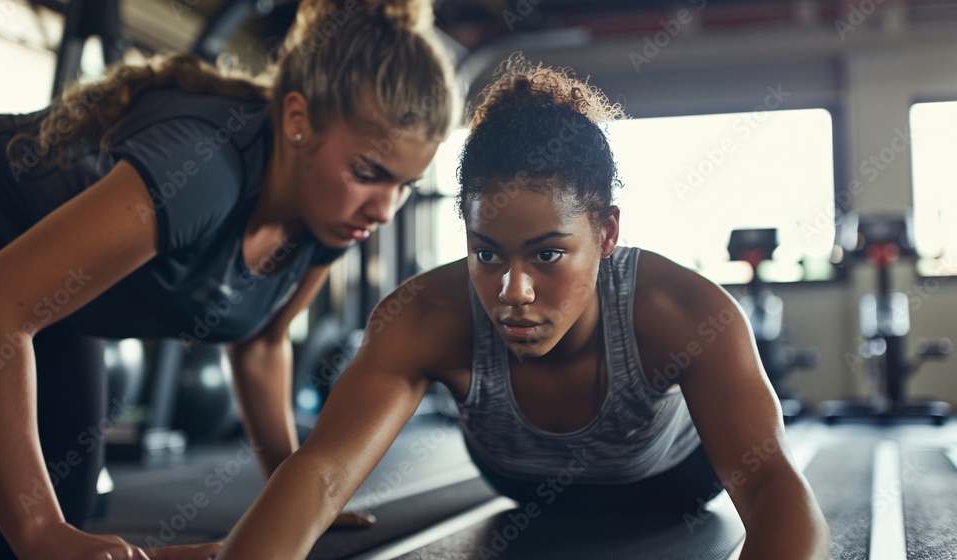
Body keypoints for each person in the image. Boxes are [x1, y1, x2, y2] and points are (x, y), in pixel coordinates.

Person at [216, 55, 831, 560]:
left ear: (606, 233)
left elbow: (772, 486)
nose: (513, 292)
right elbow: (322, 473)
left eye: (547, 255)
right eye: (486, 254)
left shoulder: (684, 310)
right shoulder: (425, 317)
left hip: (672, 484)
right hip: (521, 484)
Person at [0, 0, 454, 558]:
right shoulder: (204, 168)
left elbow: (263, 344)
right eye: (368, 172)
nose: (385, 209)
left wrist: (297, 499)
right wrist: (38, 531)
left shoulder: (328, 219)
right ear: (297, 121)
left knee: (61, 517)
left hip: (42, 314)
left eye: (406, 186)